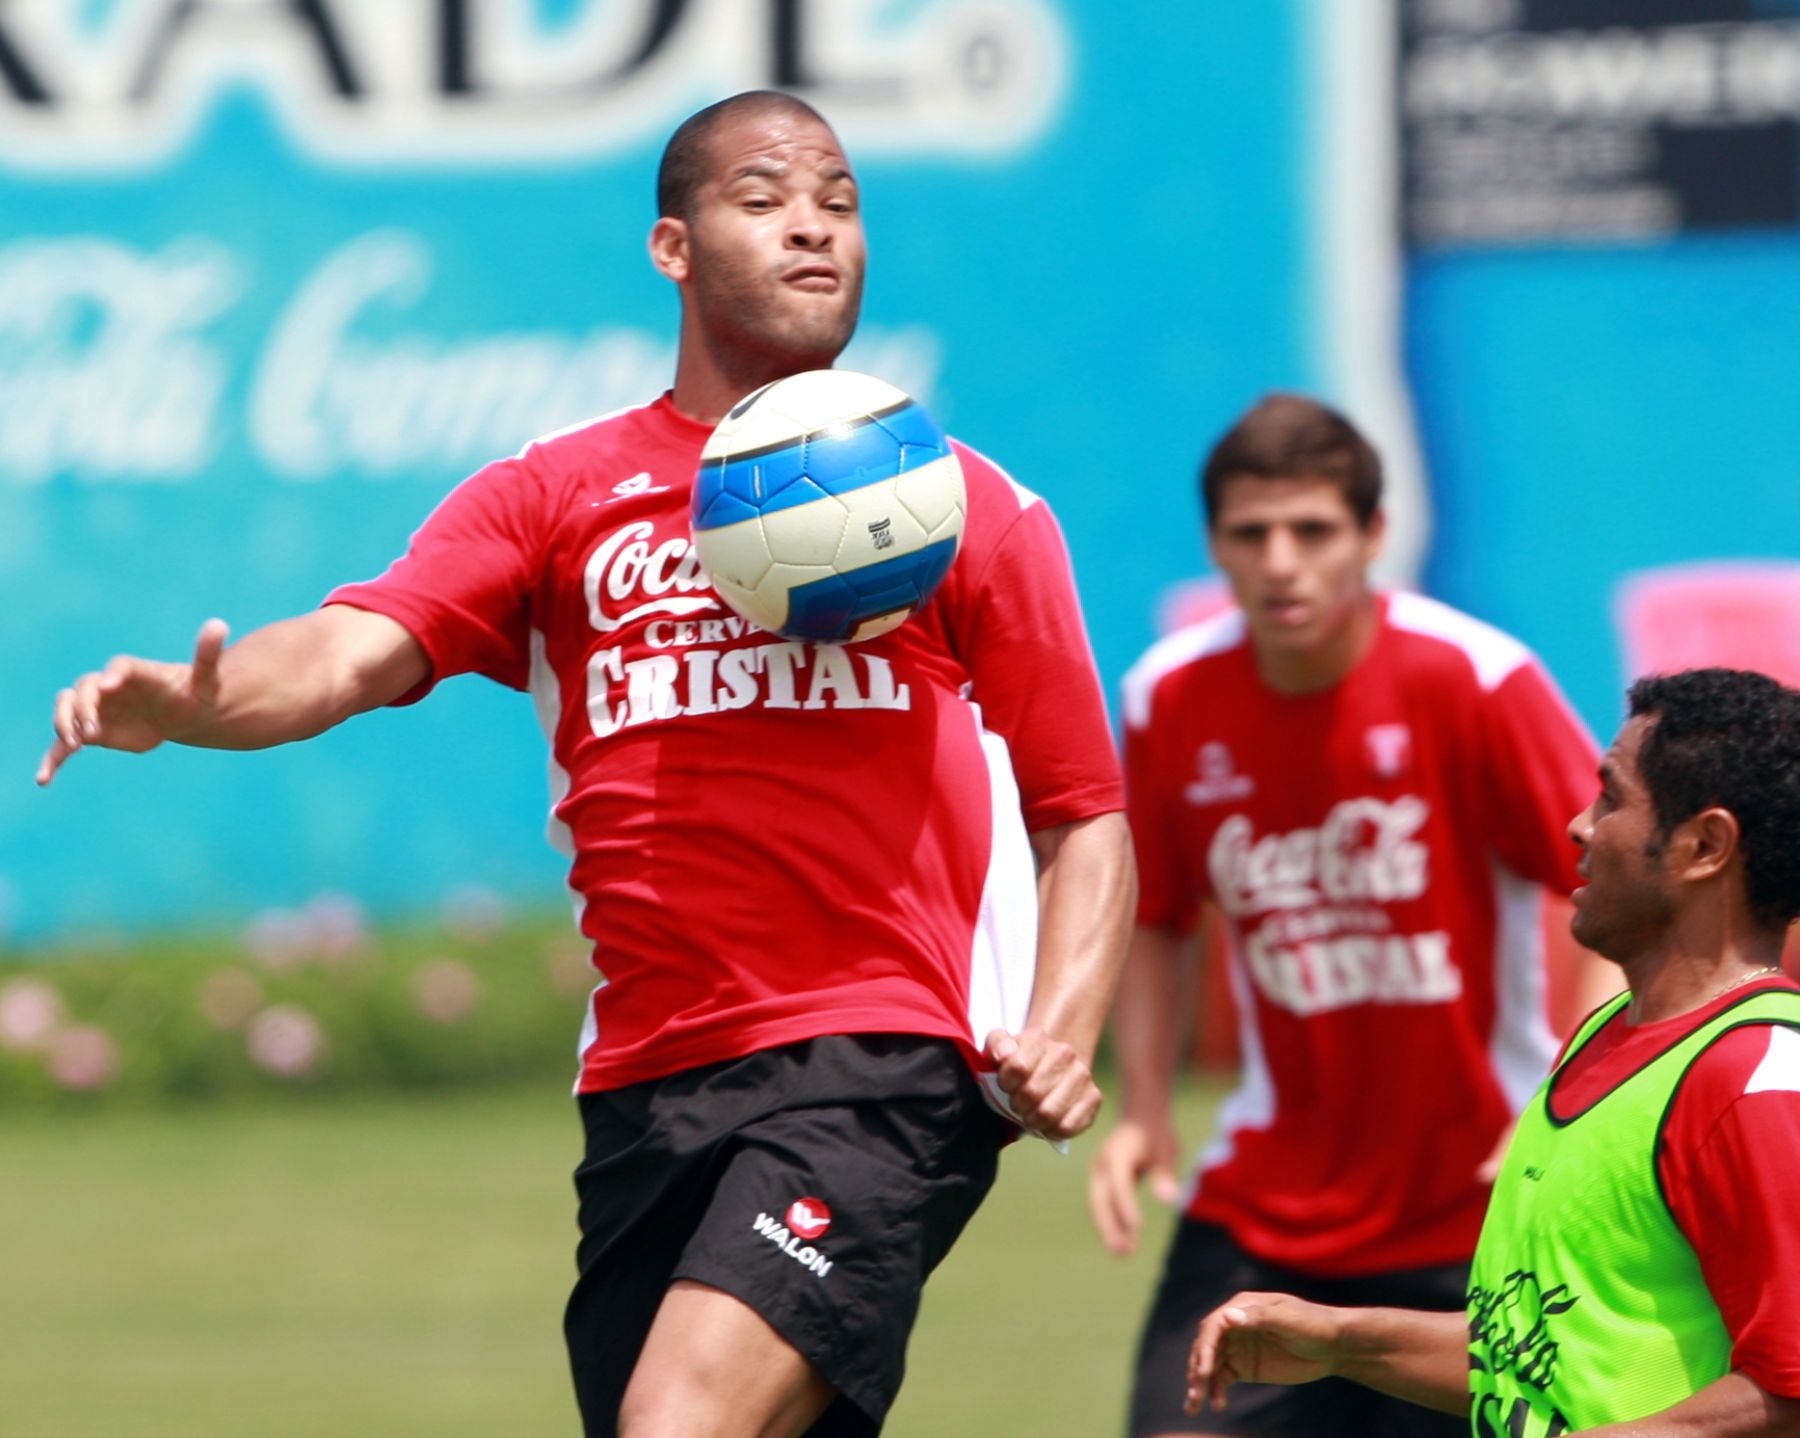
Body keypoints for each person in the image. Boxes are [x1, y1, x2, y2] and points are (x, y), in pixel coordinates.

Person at [36, 91, 1134, 1438]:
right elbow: (349, 649)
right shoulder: (557, 493)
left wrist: (1064, 1033)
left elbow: (1085, 815)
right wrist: (203, 701)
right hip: (647, 1086)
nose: (813, 229)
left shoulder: (959, 506)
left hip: (877, 1061)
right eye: (767, 197)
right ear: (671, 247)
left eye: (840, 204)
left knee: (675, 1425)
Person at [1090, 393, 1614, 1438]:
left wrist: (1568, 1089)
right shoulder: (1166, 697)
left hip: (1484, 1216)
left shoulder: (1477, 678)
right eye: (1252, 533)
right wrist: (1143, 1101)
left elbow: (1610, 886)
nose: (1282, 561)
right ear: (1216, 546)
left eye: (1314, 530)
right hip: (1264, 1214)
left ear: (1373, 536)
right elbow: (1157, 915)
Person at [1187, 667, 1800, 1436]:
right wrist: (1344, 1340)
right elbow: (1536, 1355)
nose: (1580, 825)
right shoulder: (1598, 1039)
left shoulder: (1756, 1080)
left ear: (1705, 845)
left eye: (1610, 797)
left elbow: (1790, 1389)